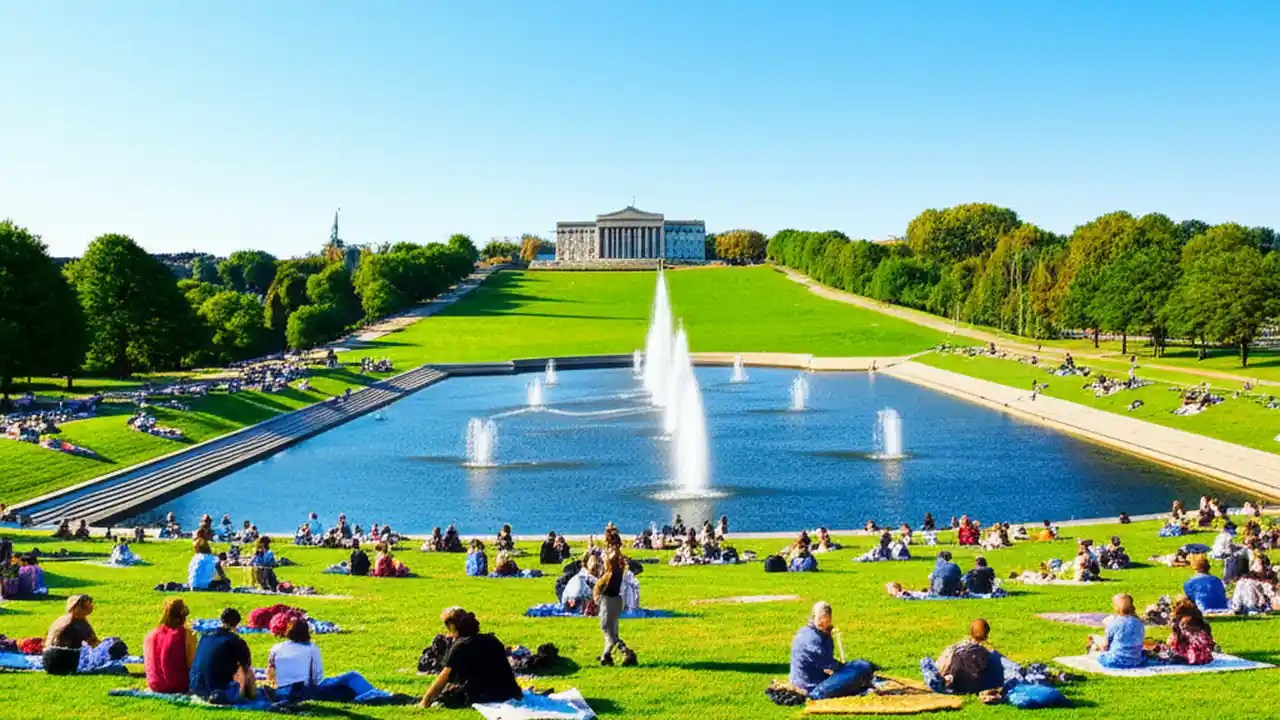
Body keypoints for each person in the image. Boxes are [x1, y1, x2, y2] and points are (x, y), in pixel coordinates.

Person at [419, 607, 522, 708]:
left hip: (484, 696)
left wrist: (425, 702)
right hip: (509, 692)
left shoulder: (461, 646)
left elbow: (443, 678)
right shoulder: (492, 639)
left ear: (452, 627)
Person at [268, 617, 383, 703]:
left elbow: (271, 672)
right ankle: (377, 695)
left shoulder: (276, 648)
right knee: (352, 676)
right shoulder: (311, 649)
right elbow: (316, 677)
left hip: (282, 688)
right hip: (304, 690)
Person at [788, 601, 874, 699]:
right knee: (859, 668)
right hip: (812, 687)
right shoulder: (813, 638)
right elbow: (831, 665)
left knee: (859, 665)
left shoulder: (804, 631)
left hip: (805, 679)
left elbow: (827, 660)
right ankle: (816, 696)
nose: (824, 624)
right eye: (822, 621)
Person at [190, 608, 256, 704]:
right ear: (237, 624)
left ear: (221, 620)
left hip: (195, 686)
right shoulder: (236, 642)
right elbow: (246, 671)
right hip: (218, 692)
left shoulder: (205, 635)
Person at [933, 619, 1005, 694]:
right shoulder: (984, 652)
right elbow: (985, 668)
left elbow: (944, 665)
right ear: (986, 636)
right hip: (973, 685)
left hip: (955, 683)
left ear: (970, 632)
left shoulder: (957, 647)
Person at [594, 546, 637, 666]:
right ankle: (606, 655)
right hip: (617, 602)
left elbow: (599, 588)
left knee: (608, 632)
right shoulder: (618, 571)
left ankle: (624, 653)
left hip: (608, 602)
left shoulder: (610, 574)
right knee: (612, 633)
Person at [144, 598, 198, 693]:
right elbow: (193, 664)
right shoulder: (186, 635)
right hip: (179, 685)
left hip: (155, 684)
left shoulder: (151, 634)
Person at [44, 594, 100, 675]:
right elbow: (95, 644)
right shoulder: (78, 624)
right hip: (65, 664)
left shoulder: (60, 619)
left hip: (47, 662)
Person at [1089, 594, 1146, 668]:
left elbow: (1105, 646)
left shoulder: (1114, 622)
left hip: (1115, 661)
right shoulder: (1139, 623)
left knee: (1095, 645)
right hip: (1136, 660)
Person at [1157, 596, 1216, 665]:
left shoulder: (1182, 624)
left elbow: (1177, 640)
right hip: (1205, 655)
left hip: (1193, 654)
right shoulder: (1202, 623)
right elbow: (1210, 642)